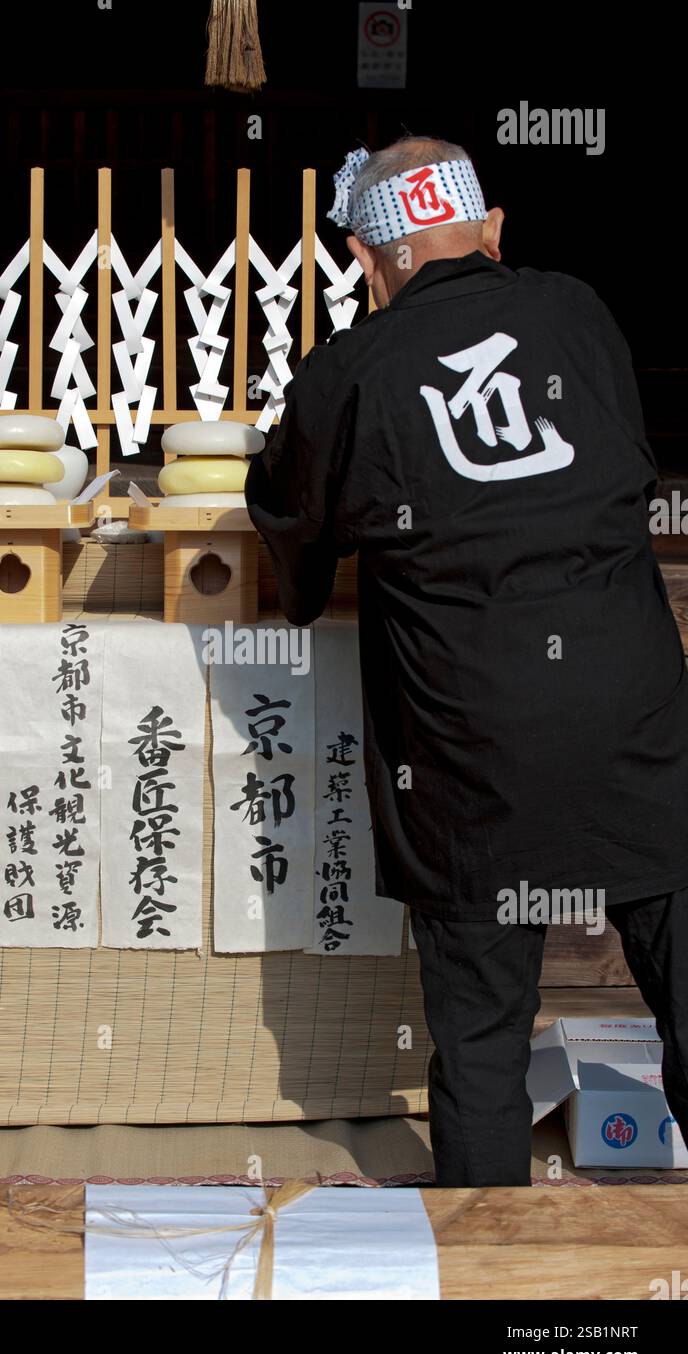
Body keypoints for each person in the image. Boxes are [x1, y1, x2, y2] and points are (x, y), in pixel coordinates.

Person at [244, 135, 688, 1187]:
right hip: (642, 730)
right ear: (491, 230)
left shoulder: (349, 371)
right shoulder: (579, 312)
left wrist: (304, 590)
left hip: (471, 754)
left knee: (484, 1045)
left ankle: (486, 1269)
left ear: (367, 260)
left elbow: (290, 525)